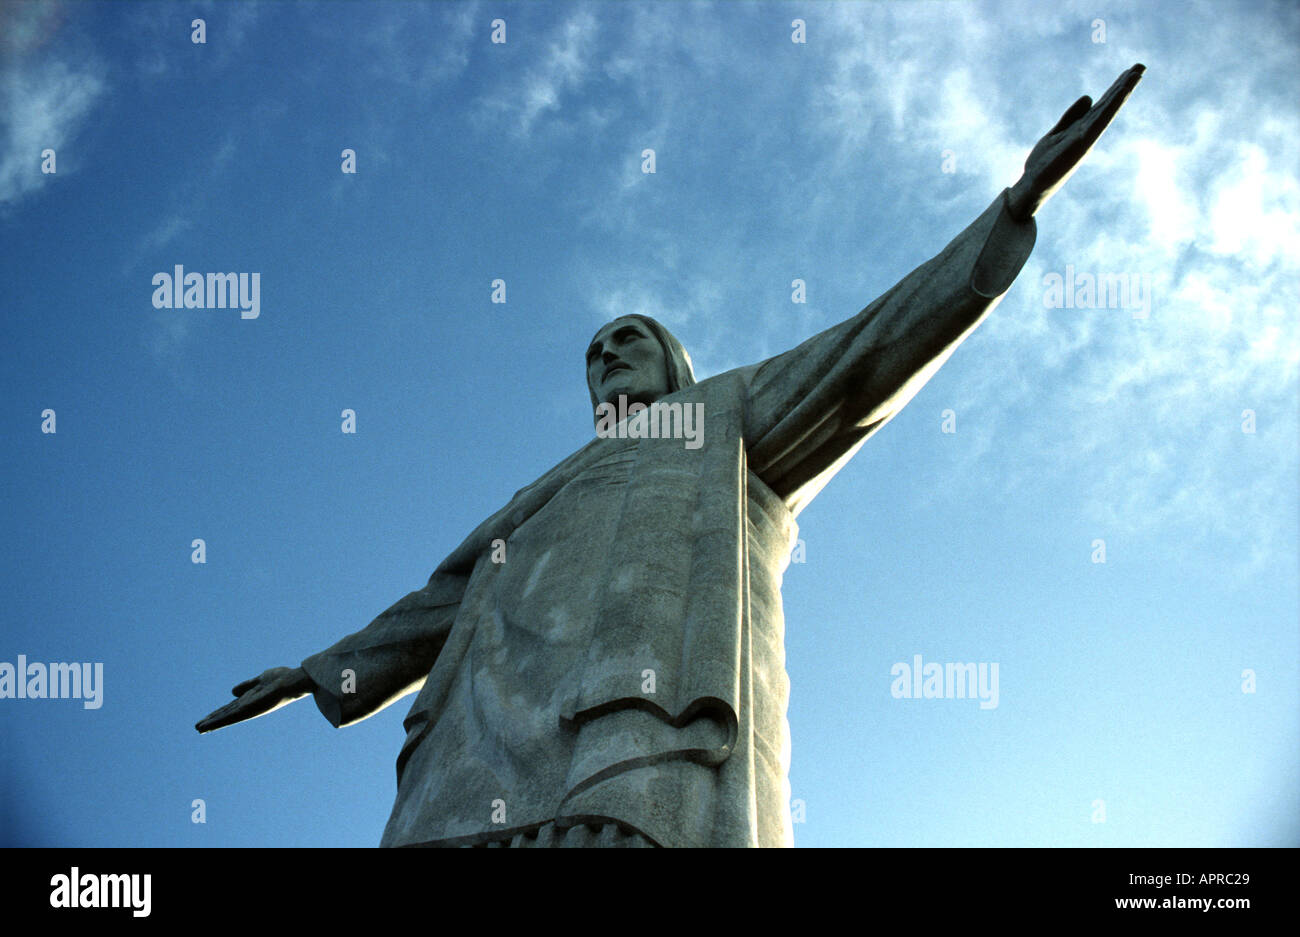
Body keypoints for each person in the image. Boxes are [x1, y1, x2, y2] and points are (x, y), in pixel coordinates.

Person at [197, 65, 1144, 847]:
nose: (607, 356)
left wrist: (1012, 207)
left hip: (631, 731)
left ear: (675, 364)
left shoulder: (721, 417)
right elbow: (437, 602)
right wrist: (321, 670)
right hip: (474, 759)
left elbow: (866, 355)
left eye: (629, 341)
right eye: (594, 352)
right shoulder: (537, 496)